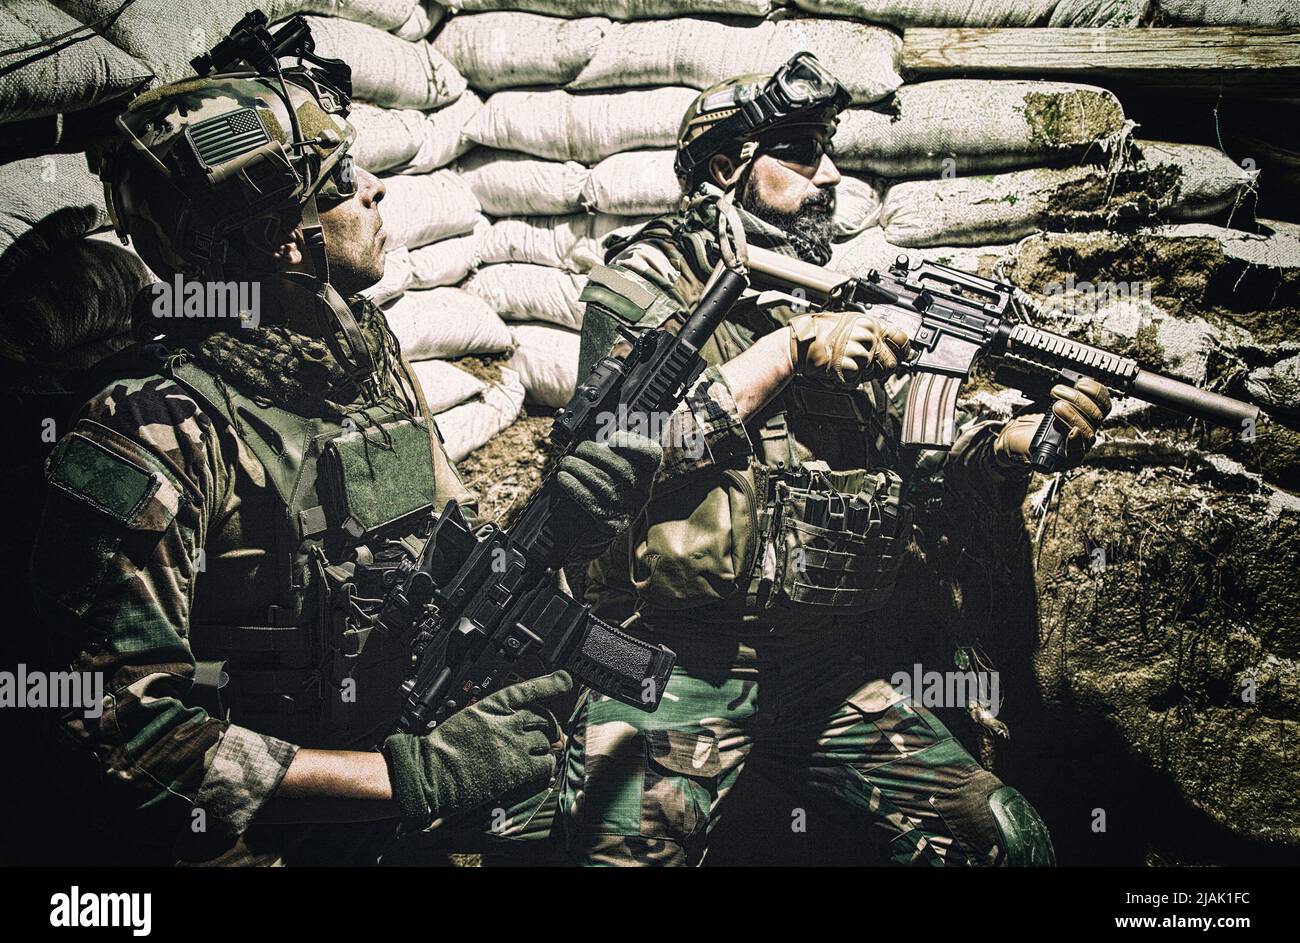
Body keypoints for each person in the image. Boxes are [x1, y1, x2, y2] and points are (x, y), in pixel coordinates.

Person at [27, 42, 662, 865]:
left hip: (403, 764)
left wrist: (565, 524)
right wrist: (406, 779)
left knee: (633, 799)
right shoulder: (155, 424)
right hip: (278, 836)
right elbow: (122, 728)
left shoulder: (359, 351)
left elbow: (443, 548)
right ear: (284, 240)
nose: (375, 188)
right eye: (338, 182)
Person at [559, 54, 1112, 866]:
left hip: (823, 667)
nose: (830, 174)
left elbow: (912, 475)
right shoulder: (642, 291)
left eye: (830, 149)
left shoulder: (827, 297)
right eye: (801, 152)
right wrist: (787, 353)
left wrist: (1008, 448)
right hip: (674, 662)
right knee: (619, 856)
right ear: (727, 167)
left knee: (1004, 834)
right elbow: (608, 462)